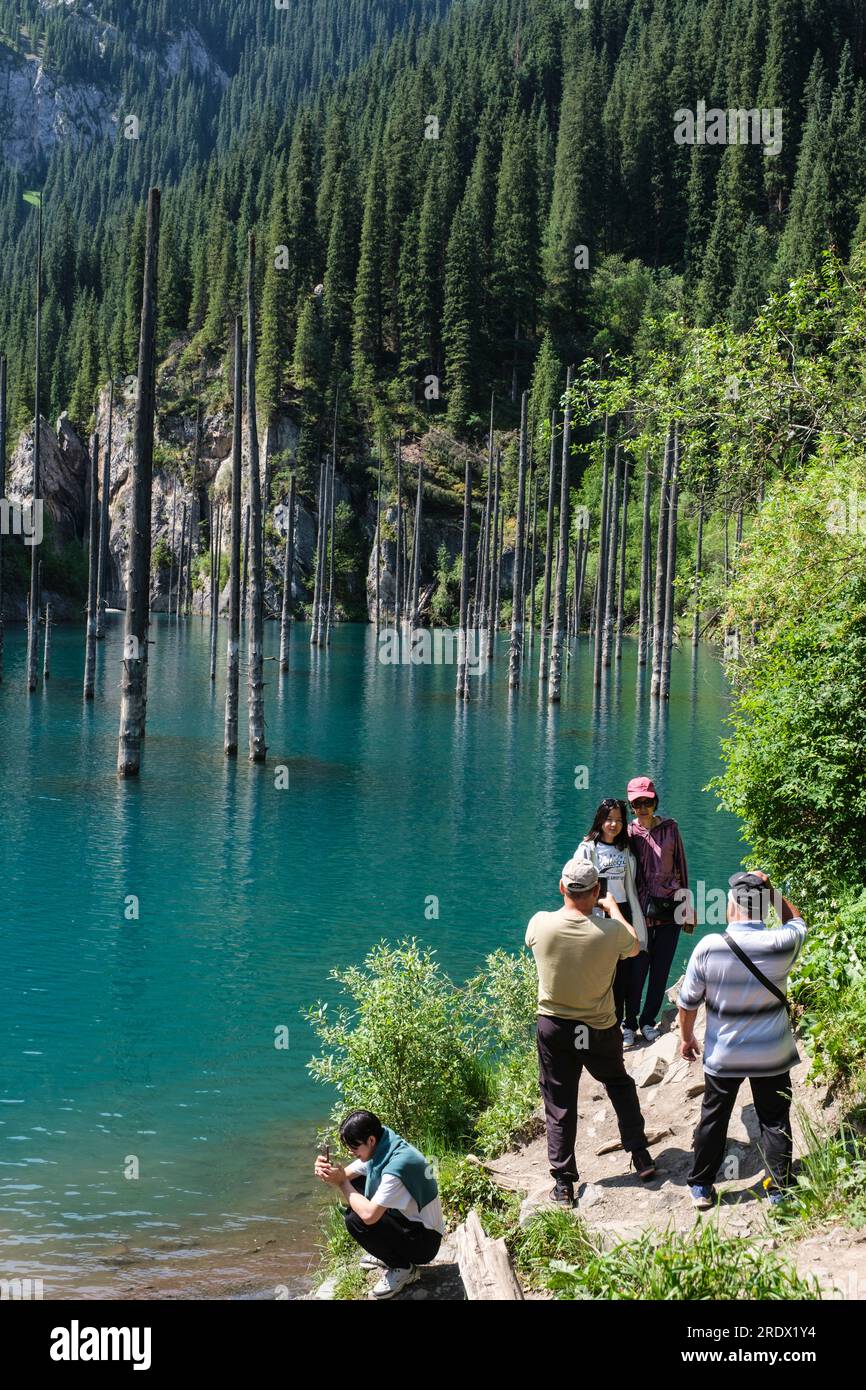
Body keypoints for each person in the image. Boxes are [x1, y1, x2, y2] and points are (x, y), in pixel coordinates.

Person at [525, 856, 657, 1207]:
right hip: (598, 1028)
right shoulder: (611, 932)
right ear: (596, 890)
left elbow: (534, 942)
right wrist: (613, 908)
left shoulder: (540, 923)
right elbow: (634, 945)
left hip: (554, 1026)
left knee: (559, 1100)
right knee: (618, 1084)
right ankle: (640, 1155)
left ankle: (564, 1183)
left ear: (562, 888)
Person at [678, 871, 808, 1210]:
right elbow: (797, 921)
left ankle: (702, 1187)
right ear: (763, 909)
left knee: (714, 1117)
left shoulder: (710, 947)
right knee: (774, 1119)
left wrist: (686, 1037)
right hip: (772, 1054)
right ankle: (780, 1188)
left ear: (732, 905)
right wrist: (772, 890)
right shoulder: (782, 944)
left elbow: (687, 1002)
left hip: (725, 1054)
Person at [314, 1108, 445, 1299]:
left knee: (355, 1219)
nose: (351, 1152)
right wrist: (330, 1173)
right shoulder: (386, 1144)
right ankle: (389, 1252)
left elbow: (368, 1215)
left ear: (371, 1140)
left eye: (354, 1147)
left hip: (425, 1243)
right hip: (415, 1224)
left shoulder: (396, 1167)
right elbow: (348, 1174)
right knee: (358, 1184)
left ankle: (403, 1268)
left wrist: (341, 1182)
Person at [625, 775, 694, 1044]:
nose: (642, 808)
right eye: (637, 803)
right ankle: (628, 1023)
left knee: (660, 970)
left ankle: (648, 1021)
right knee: (636, 970)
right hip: (639, 913)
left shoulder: (670, 828)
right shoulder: (627, 833)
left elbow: (681, 867)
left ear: (655, 801)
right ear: (631, 806)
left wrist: (688, 905)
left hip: (669, 910)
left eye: (647, 802)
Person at [575, 798, 648, 1048]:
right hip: (599, 914)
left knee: (630, 970)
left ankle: (629, 1025)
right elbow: (575, 881)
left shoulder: (626, 847)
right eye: (609, 819)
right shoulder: (588, 848)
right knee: (606, 973)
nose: (613, 824)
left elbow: (634, 879)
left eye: (618, 819)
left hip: (624, 911)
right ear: (600, 820)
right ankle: (608, 1026)